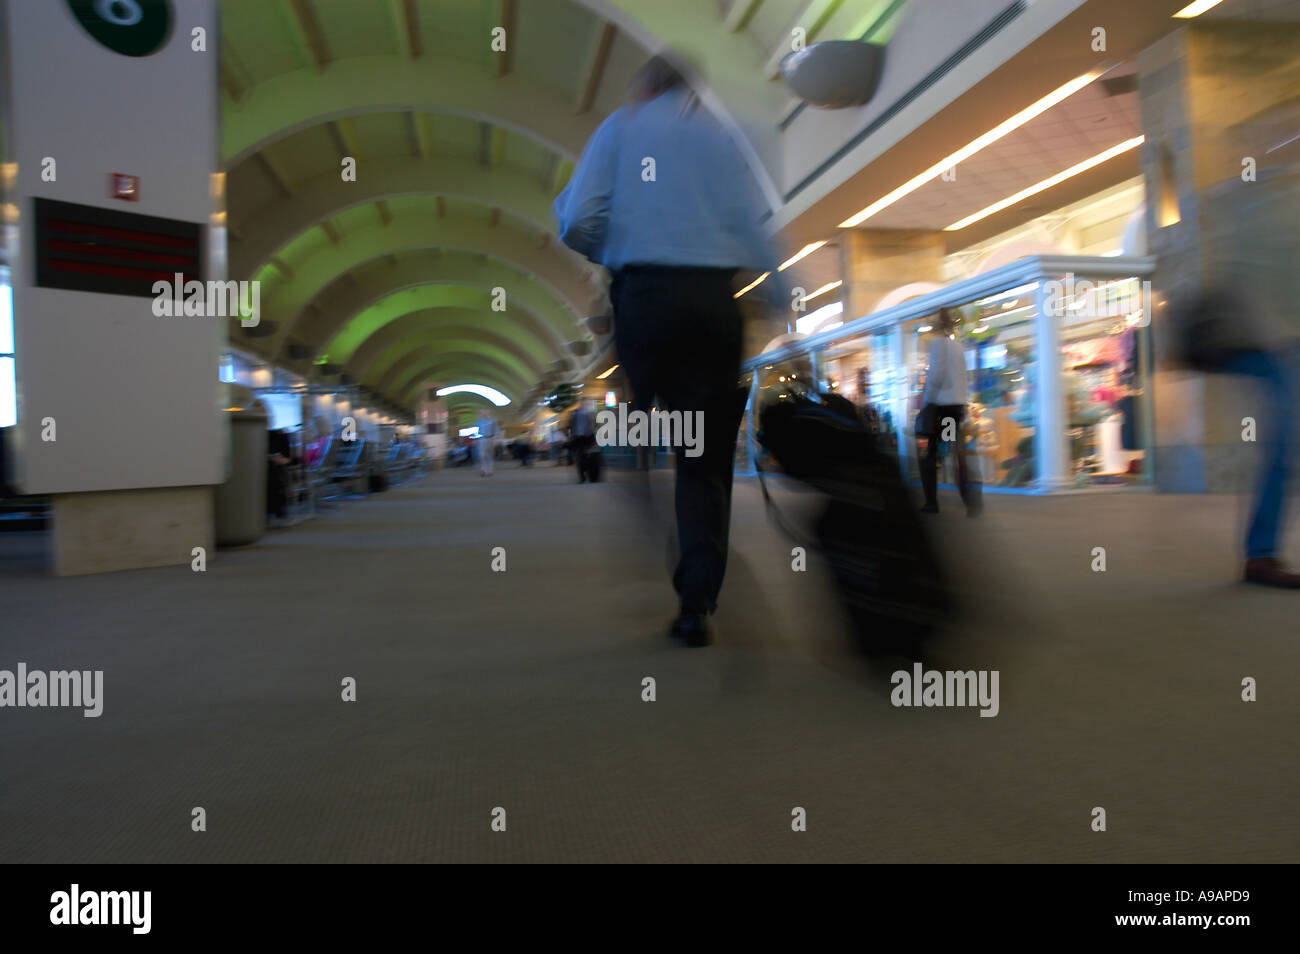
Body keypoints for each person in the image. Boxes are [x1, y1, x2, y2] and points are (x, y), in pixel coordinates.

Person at [554, 51, 785, 647]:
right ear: (689, 91)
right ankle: (696, 597)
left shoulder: (621, 128)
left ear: (647, 86)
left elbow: (578, 217)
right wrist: (780, 298)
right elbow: (753, 229)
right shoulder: (718, 139)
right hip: (712, 304)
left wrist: (612, 247)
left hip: (647, 300)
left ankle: (643, 490)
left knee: (640, 427)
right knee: (703, 462)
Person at [918, 308, 979, 516]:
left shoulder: (938, 346)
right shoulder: (957, 346)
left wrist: (926, 403)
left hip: (940, 409)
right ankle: (970, 500)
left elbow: (936, 376)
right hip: (955, 408)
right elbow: (962, 379)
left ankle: (931, 503)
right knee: (954, 451)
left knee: (930, 455)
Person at [569, 400, 597, 482]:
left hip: (578, 438)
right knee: (587, 456)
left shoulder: (575, 414)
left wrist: (571, 437)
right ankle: (589, 474)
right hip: (587, 437)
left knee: (579, 457)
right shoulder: (588, 414)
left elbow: (572, 426)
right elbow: (591, 426)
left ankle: (582, 477)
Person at [474, 412, 497, 477]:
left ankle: (489, 470)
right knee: (482, 455)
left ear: (488, 413)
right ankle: (483, 470)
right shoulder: (479, 421)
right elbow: (476, 431)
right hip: (481, 439)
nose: (483, 414)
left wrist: (495, 440)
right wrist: (476, 440)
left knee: (489, 455)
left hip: (490, 438)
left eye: (485, 413)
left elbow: (496, 431)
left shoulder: (492, 421)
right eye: (482, 413)